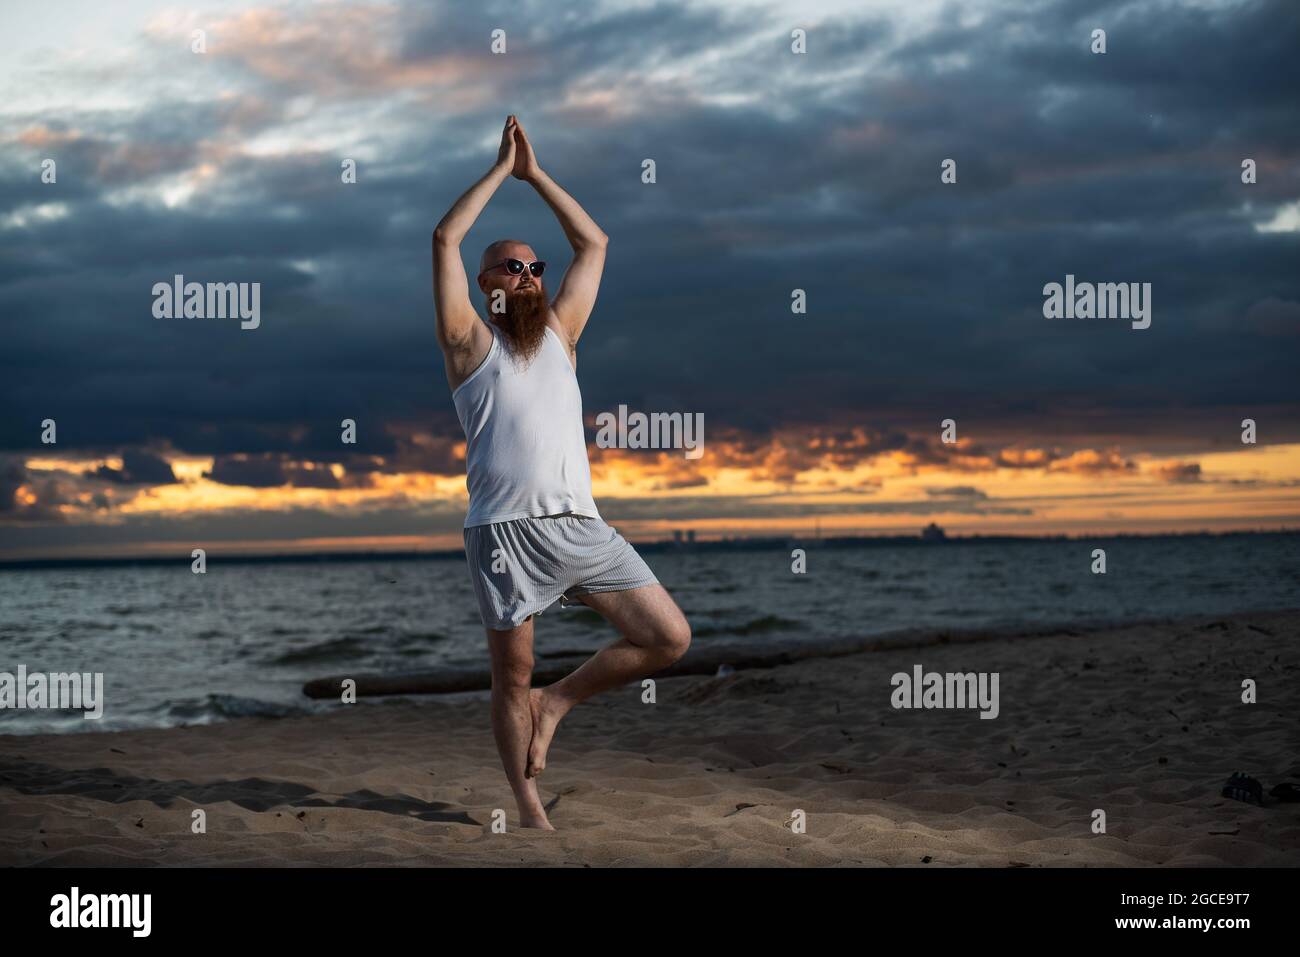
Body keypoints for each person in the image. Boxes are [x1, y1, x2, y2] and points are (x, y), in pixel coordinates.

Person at [432, 115, 692, 830]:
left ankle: (560, 701)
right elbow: (444, 239)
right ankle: (529, 810)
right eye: (512, 267)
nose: (527, 275)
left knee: (669, 637)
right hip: (504, 533)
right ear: (484, 283)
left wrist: (534, 174)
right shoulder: (467, 342)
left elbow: (596, 242)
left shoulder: (561, 335)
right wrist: (496, 170)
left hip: (580, 525)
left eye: (534, 267)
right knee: (510, 676)